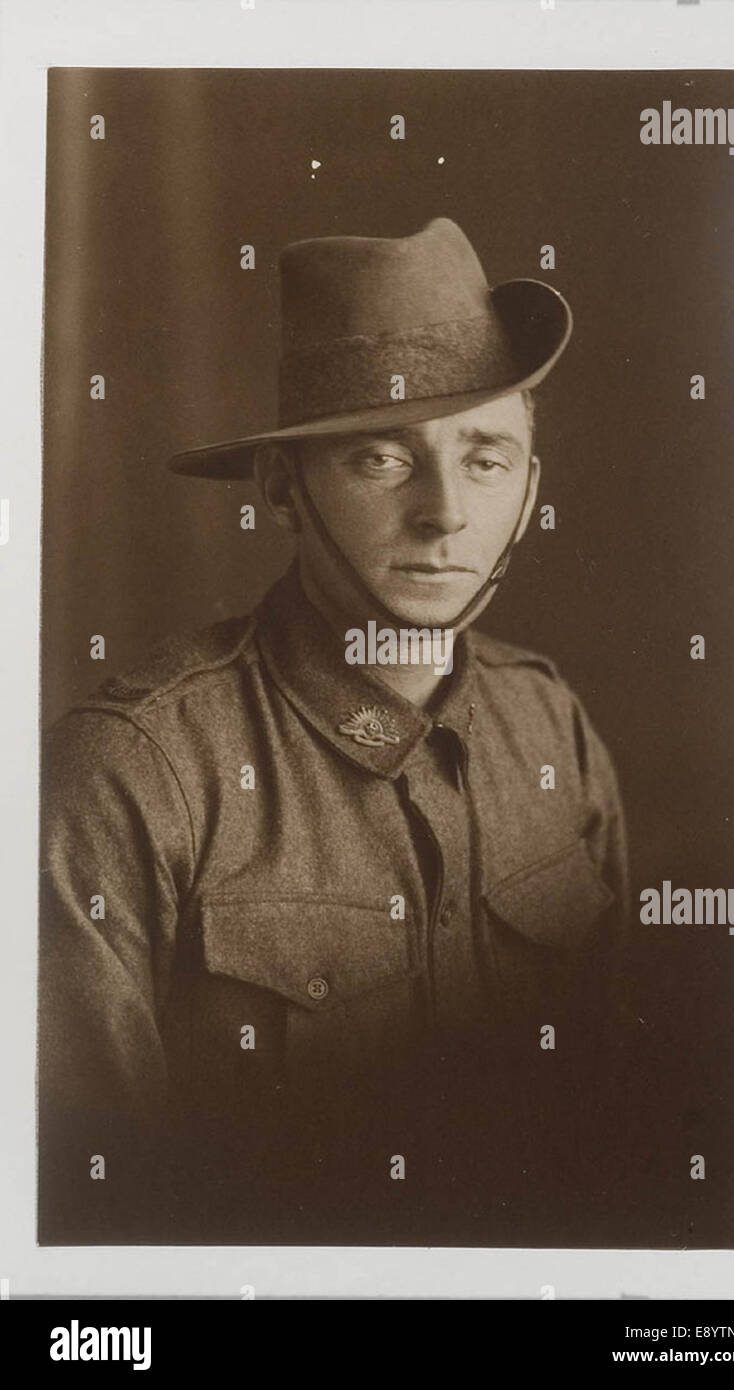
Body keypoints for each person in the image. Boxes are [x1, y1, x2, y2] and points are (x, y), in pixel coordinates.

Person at [39, 217, 630, 1246]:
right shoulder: (135, 769)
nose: (444, 513)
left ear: (530, 485)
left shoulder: (552, 725)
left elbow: (630, 1118)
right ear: (280, 485)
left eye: (484, 457)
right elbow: (89, 1215)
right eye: (380, 458)